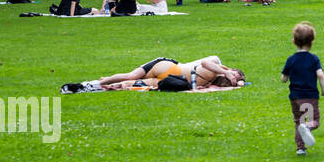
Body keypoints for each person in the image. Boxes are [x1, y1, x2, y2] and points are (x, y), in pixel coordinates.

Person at [283, 22, 324, 156]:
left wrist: (287, 77)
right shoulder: (313, 59)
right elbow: (320, 74)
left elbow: (283, 78)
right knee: (312, 122)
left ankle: (300, 148)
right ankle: (307, 127)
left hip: (295, 97)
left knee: (299, 121)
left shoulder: (291, 59)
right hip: (309, 96)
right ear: (312, 42)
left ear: (294, 41)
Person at [81, 55, 246, 91]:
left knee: (131, 84)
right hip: (165, 66)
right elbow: (205, 62)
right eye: (232, 75)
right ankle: (101, 81)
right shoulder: (217, 64)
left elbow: (237, 85)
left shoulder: (213, 82)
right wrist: (229, 73)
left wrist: (238, 81)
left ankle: (103, 83)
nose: (230, 79)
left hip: (169, 77)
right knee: (131, 76)